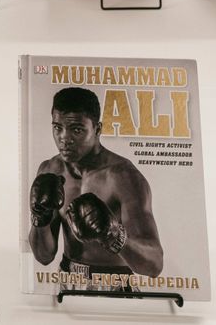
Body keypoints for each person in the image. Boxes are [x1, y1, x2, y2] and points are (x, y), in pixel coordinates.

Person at [27, 87, 163, 288]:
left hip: (115, 283)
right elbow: (44, 256)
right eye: (57, 128)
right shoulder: (50, 170)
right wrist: (40, 218)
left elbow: (154, 265)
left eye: (77, 129)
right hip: (67, 279)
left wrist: (113, 235)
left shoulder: (123, 177)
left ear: (98, 129)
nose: (65, 138)